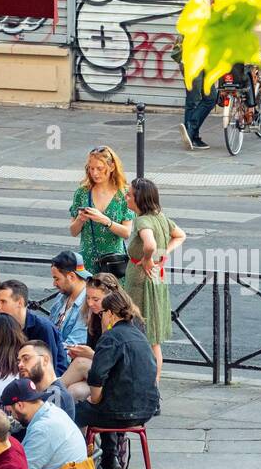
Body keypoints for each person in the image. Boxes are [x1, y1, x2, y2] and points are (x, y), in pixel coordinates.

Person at [76, 292, 160, 469]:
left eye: (102, 313)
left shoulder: (110, 337)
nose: (101, 318)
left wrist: (94, 399)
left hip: (117, 413)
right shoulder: (140, 336)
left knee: (70, 415)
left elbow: (96, 377)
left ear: (111, 314)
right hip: (145, 411)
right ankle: (106, 461)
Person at [123, 177, 185, 385]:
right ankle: (154, 385)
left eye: (129, 194)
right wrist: (163, 254)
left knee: (142, 335)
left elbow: (148, 244)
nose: (126, 197)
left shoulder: (142, 220)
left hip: (141, 282)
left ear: (139, 199)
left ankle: (147, 385)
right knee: (153, 338)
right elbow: (180, 235)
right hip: (156, 279)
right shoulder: (160, 216)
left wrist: (149, 258)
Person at [0, 377, 88, 469]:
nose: (12, 416)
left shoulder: (43, 428)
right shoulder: (52, 411)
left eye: (11, 411)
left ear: (19, 405)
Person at [57, 272, 126, 401]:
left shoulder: (123, 319)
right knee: (74, 390)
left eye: (95, 299)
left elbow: (121, 360)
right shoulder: (94, 317)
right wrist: (80, 352)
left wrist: (91, 355)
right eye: (87, 298)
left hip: (121, 375)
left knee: (80, 364)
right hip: (100, 373)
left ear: (111, 299)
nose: (90, 303)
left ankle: (43, 399)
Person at [68, 145, 135, 274]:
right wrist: (80, 220)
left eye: (100, 168)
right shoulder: (82, 193)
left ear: (111, 167)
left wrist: (105, 220)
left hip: (114, 263)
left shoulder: (124, 194)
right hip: (87, 262)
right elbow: (73, 231)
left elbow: (126, 233)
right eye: (91, 168)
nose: (94, 173)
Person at [0, 280, 68, 372]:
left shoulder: (43, 327)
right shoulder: (4, 324)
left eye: (3, 302)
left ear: (20, 303)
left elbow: (50, 368)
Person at [18, 340, 75, 419]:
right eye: (19, 361)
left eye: (26, 359)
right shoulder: (37, 394)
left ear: (45, 360)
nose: (20, 365)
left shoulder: (57, 397)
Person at [48, 251, 90, 347]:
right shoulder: (61, 297)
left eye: (57, 279)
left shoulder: (88, 305)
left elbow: (73, 347)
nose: (54, 284)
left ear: (71, 276)